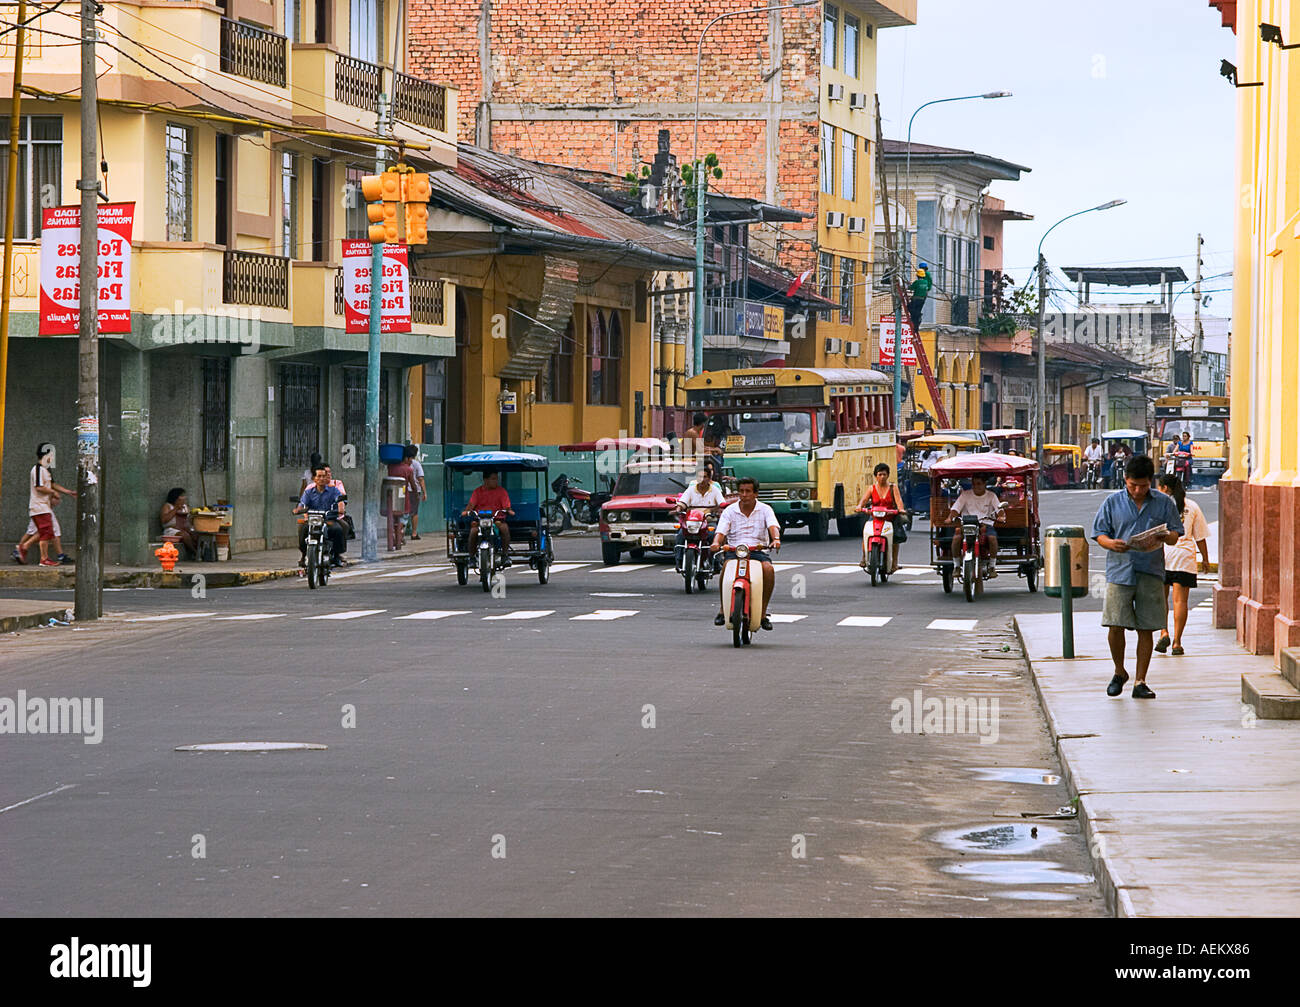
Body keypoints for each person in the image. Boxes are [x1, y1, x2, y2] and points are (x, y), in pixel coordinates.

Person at [1092, 455, 1184, 699]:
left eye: (1143, 486)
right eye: (1133, 485)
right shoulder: (1112, 502)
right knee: (1115, 623)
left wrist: (1165, 537)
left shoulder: (1164, 503)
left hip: (1151, 570)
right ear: (1125, 480)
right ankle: (1119, 671)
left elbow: (1176, 534)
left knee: (1147, 628)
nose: (1138, 490)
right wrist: (1111, 543)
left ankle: (1140, 680)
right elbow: (1099, 534)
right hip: (1120, 570)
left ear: (1151, 482)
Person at [711, 476, 781, 631]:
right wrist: (716, 542)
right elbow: (721, 531)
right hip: (734, 551)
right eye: (741, 491)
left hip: (758, 551)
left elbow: (773, 526)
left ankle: (762, 614)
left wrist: (775, 539)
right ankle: (723, 610)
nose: (744, 495)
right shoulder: (730, 510)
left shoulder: (765, 509)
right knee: (725, 569)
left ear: (755, 493)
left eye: (748, 491)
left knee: (768, 570)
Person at [1156, 474, 1210, 656]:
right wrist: (1205, 558)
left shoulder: (1160, 506)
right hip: (1184, 556)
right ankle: (1177, 642)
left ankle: (1164, 632)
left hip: (1163, 554)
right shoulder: (1192, 506)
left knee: (1161, 598)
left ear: (1165, 488)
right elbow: (1200, 536)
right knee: (1180, 601)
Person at [944, 473, 1005, 575]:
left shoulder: (991, 495)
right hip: (967, 524)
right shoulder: (965, 494)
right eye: (974, 484)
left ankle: (992, 566)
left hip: (985, 524)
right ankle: (957, 566)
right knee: (956, 538)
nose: (976, 486)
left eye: (979, 484)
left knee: (992, 538)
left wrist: (1001, 516)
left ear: (984, 484)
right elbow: (955, 509)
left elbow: (1000, 510)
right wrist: (950, 518)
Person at [21, 443, 67, 567]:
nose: (52, 459)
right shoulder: (37, 469)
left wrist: (67, 492)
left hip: (44, 507)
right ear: (46, 455)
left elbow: (51, 484)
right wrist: (53, 492)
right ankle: (43, 558)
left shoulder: (46, 470)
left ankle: (25, 548)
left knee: (45, 532)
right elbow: (39, 487)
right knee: (45, 533)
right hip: (39, 507)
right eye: (51, 455)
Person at [673, 467, 727, 571]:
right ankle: (679, 561)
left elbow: (721, 503)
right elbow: (683, 502)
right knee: (680, 535)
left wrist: (719, 508)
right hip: (691, 522)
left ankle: (715, 562)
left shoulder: (715, 490)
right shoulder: (691, 490)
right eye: (700, 477)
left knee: (713, 535)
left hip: (708, 521)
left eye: (705, 477)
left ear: (709, 478)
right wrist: (678, 508)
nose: (702, 479)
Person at [857, 462, 906, 573]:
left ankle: (894, 563)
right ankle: (864, 557)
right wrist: (860, 506)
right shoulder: (871, 488)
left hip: (890, 518)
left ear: (888, 475)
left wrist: (900, 509)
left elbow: (899, 502)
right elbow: (864, 500)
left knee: (895, 539)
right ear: (876, 476)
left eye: (884, 474)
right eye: (880, 474)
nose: (882, 477)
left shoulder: (893, 488)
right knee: (866, 533)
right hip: (875, 518)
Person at [295, 465, 347, 567]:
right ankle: (304, 554)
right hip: (312, 519)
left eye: (325, 475)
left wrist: (339, 510)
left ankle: (337, 555)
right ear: (314, 478)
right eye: (319, 476)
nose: (322, 479)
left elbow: (341, 501)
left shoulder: (334, 489)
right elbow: (303, 504)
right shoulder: (309, 490)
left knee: (338, 530)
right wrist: (299, 510)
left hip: (329, 519)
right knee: (302, 529)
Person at [462, 470, 514, 566]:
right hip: (480, 520)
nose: (495, 481)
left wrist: (508, 510)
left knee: (504, 528)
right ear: (485, 480)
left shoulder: (501, 491)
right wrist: (466, 511)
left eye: (496, 479)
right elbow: (471, 505)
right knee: (473, 531)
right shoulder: (477, 492)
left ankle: (505, 555)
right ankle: (472, 557)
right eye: (493, 479)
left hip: (497, 520)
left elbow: (506, 506)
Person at [160, 487, 198, 558]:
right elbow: (164, 520)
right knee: (185, 535)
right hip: (171, 530)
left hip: (184, 528)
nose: (183, 498)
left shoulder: (185, 507)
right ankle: (195, 552)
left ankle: (199, 551)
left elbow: (189, 520)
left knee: (195, 535)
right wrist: (176, 508)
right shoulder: (167, 506)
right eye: (181, 496)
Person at [403, 444, 428, 539]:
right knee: (414, 513)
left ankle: (401, 533)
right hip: (414, 491)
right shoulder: (416, 464)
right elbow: (420, 479)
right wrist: (424, 492)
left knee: (403, 512)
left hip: (403, 490)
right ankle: (414, 533)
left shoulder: (401, 464)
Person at [907, 263, 932, 334]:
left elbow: (910, 288)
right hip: (922, 298)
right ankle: (916, 326)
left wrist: (910, 285)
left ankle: (915, 319)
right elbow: (929, 285)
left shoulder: (917, 282)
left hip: (916, 299)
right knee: (917, 312)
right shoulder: (926, 281)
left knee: (910, 308)